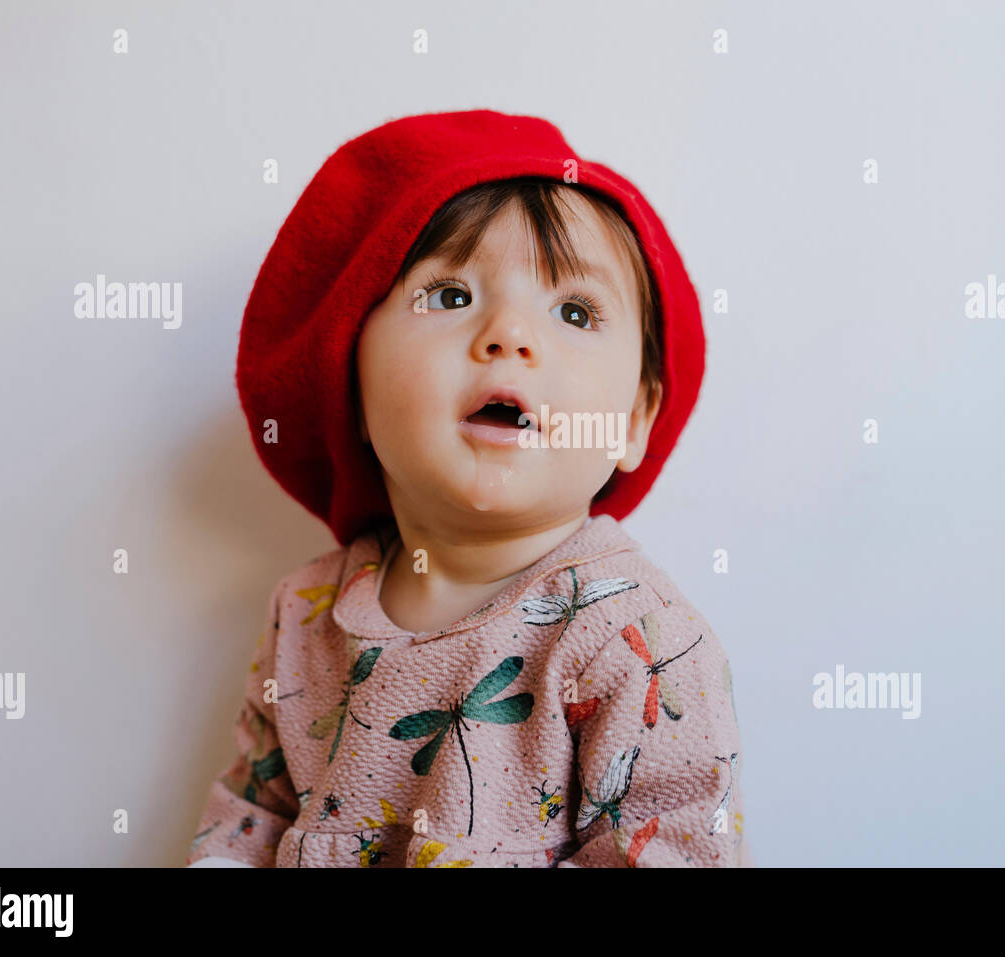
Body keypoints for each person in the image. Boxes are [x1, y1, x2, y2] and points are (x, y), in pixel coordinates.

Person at [186, 110, 749, 867]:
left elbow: (676, 847)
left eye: (574, 312)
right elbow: (248, 816)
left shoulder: (638, 641)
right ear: (352, 383)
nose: (510, 335)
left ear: (633, 420)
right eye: (450, 297)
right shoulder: (307, 617)